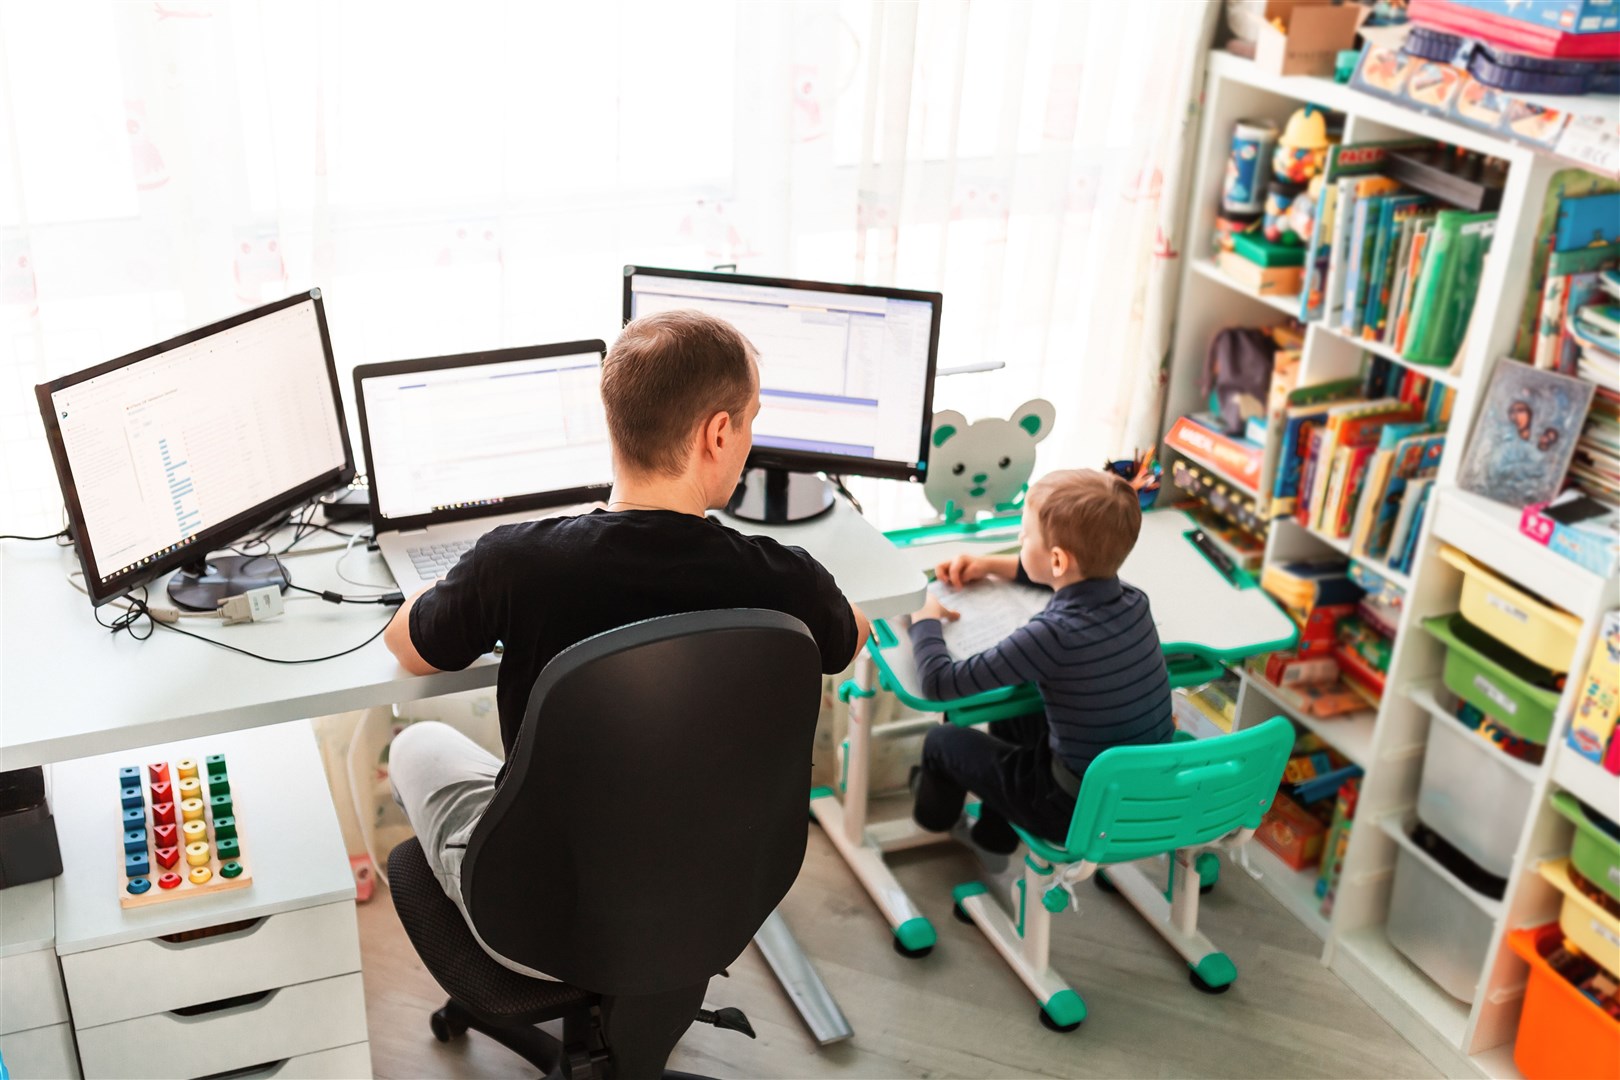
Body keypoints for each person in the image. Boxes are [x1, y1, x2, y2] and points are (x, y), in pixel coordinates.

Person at [383, 308, 871, 976]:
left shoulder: (516, 564)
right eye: (752, 419)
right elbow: (846, 641)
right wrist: (845, 607)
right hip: (724, 895)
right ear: (718, 433)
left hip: (537, 920)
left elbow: (410, 649)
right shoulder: (787, 580)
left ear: (612, 420)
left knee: (414, 743)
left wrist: (434, 589)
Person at [907, 468, 1172, 877]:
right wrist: (988, 564)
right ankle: (994, 837)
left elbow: (940, 684)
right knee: (1017, 713)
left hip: (1069, 809)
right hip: (1139, 790)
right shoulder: (1135, 600)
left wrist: (924, 619)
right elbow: (1062, 577)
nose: (1018, 540)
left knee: (942, 741)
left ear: (1058, 559)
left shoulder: (1053, 636)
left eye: (1024, 535)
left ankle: (937, 821)